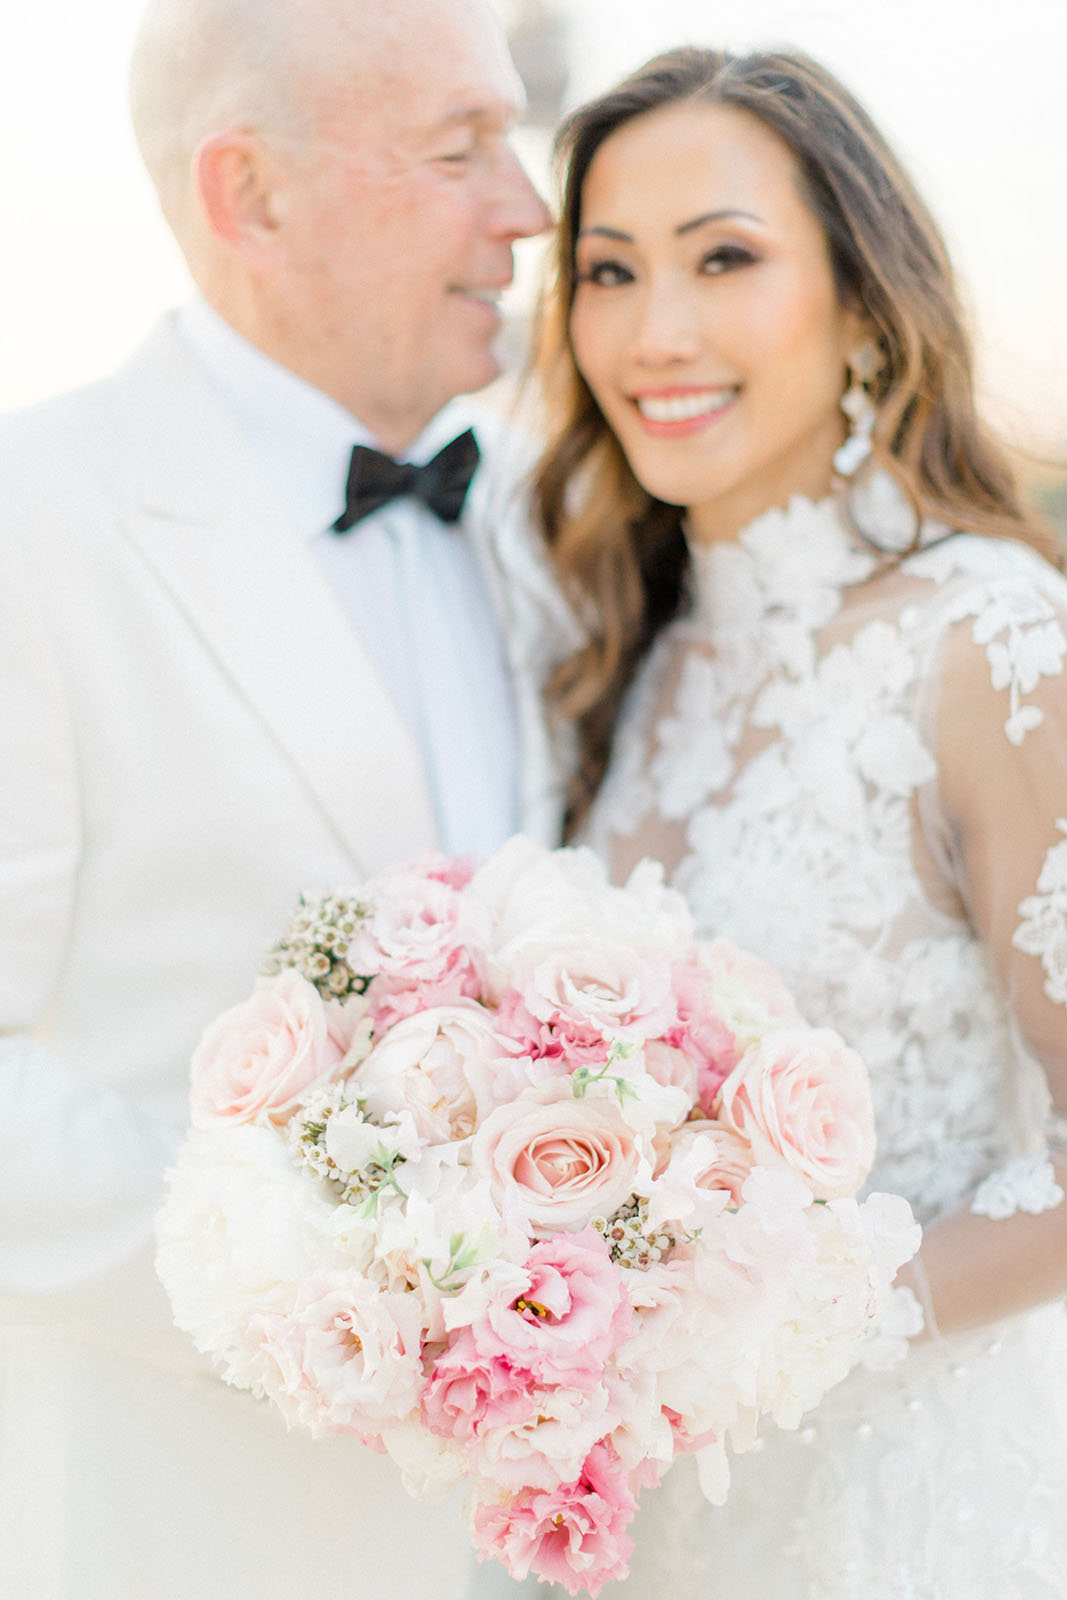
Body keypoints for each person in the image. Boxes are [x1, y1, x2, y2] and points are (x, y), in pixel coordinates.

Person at [0, 1, 559, 1595]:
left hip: (529, 1539)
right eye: (461, 150)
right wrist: (351, 1292)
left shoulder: (545, 523)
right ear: (251, 194)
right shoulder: (29, 524)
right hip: (183, 1526)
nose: (524, 207)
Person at [527, 46, 1067, 1598]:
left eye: (726, 259)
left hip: (907, 1507)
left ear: (861, 300)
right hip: (660, 1533)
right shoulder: (634, 656)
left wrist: (777, 1322)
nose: (658, 332)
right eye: (610, 271)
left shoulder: (994, 643)